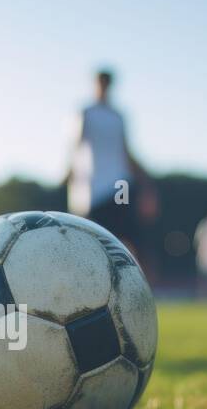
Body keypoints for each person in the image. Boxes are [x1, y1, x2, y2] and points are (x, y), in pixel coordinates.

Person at [65, 69, 157, 269]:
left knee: (132, 240)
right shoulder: (86, 112)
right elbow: (75, 146)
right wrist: (71, 178)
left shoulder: (118, 116)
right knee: (94, 242)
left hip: (119, 185)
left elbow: (126, 151)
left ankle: (141, 286)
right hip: (94, 191)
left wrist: (146, 185)